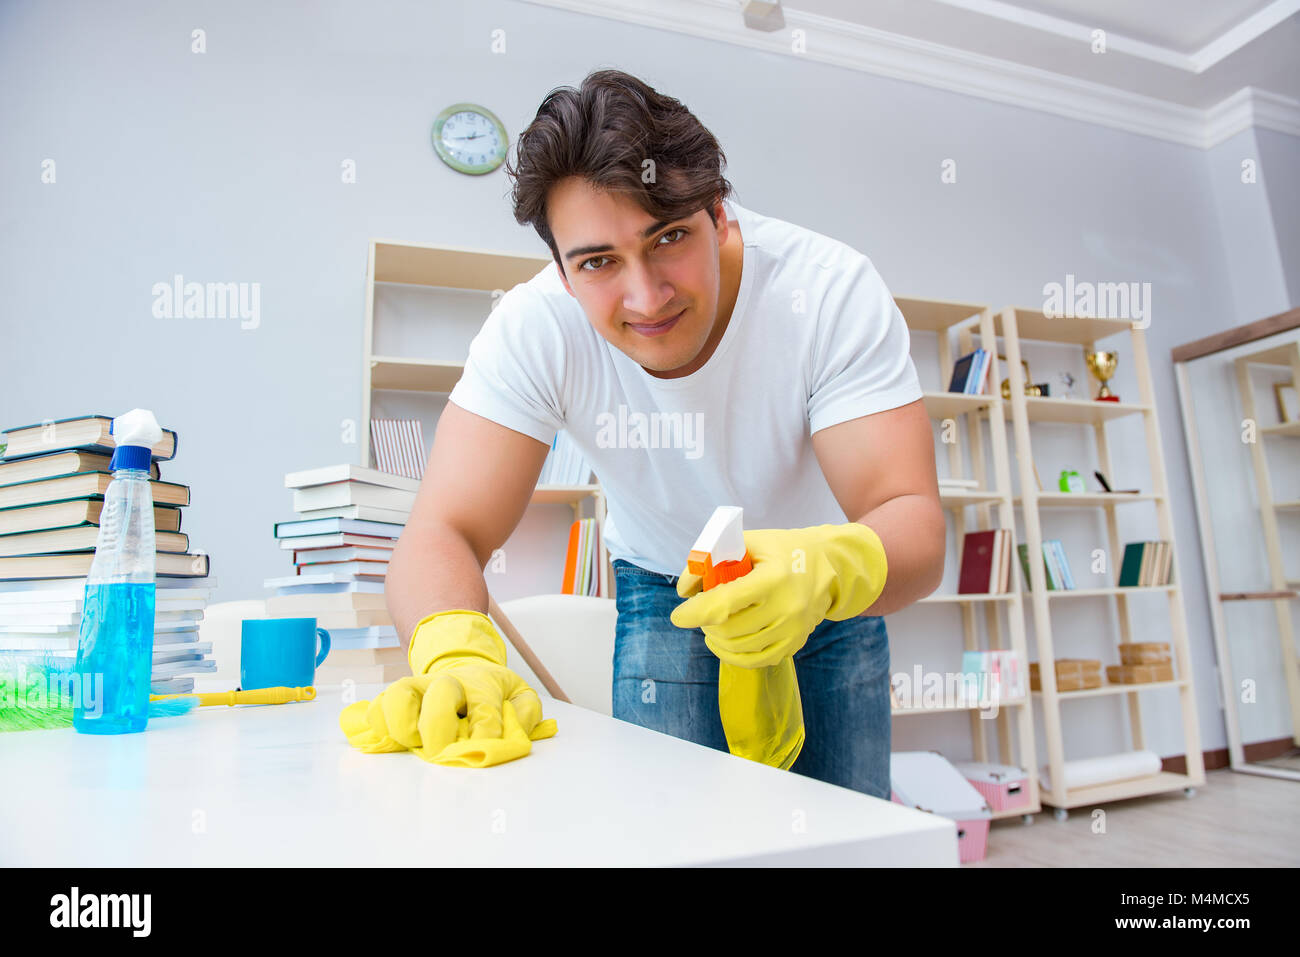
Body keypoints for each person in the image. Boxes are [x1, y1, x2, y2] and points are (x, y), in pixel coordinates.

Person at [353, 69, 945, 797]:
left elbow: (914, 525)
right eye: (598, 261)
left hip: (823, 592)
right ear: (563, 273)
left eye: (667, 237)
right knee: (666, 829)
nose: (646, 296)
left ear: (720, 214)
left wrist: (825, 572)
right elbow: (442, 528)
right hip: (662, 587)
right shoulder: (536, 326)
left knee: (847, 837)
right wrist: (450, 650)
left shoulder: (826, 291)